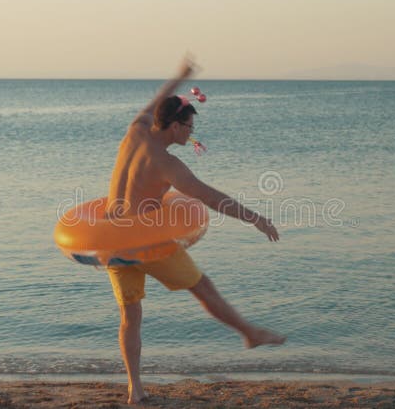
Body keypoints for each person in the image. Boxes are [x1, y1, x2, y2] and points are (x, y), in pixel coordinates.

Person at [105, 56, 286, 404]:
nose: (191, 134)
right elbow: (212, 198)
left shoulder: (136, 129)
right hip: (145, 241)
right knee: (203, 286)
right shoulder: (170, 166)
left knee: (130, 316)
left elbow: (160, 97)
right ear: (175, 126)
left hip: (113, 240)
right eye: (189, 127)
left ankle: (135, 389)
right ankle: (249, 333)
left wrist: (181, 76)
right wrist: (256, 218)